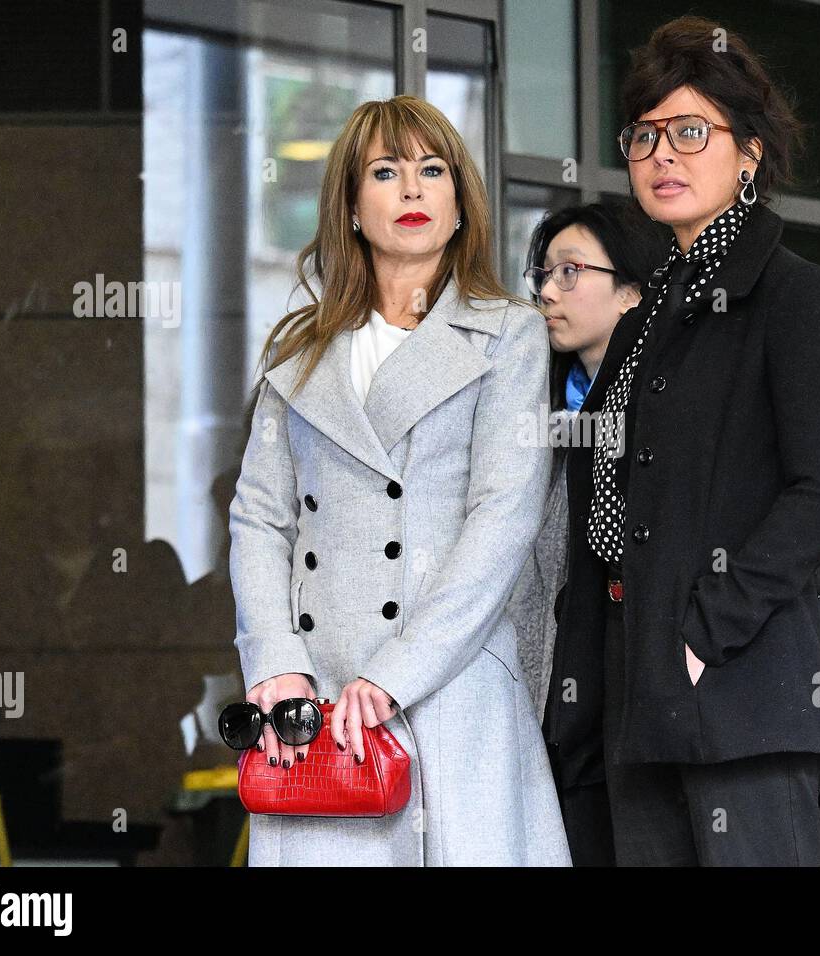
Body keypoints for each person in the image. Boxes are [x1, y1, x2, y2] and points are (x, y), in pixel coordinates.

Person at [543, 16, 820, 866]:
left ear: (747, 153)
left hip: (737, 692)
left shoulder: (791, 295)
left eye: (691, 132)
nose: (662, 156)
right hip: (630, 692)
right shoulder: (647, 317)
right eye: (644, 136)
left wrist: (701, 636)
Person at [228, 94, 571, 866]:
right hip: (315, 710)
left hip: (448, 685)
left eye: (431, 170)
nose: (412, 189)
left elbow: (504, 517)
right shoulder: (299, 354)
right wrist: (278, 664)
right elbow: (259, 520)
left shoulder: (507, 332)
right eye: (385, 172)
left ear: (459, 205)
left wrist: (393, 675)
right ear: (352, 207)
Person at [506, 202, 668, 866]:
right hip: (548, 713)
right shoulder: (534, 410)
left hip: (639, 708)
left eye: (571, 273)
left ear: (632, 290)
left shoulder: (661, 409)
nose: (547, 291)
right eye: (542, 274)